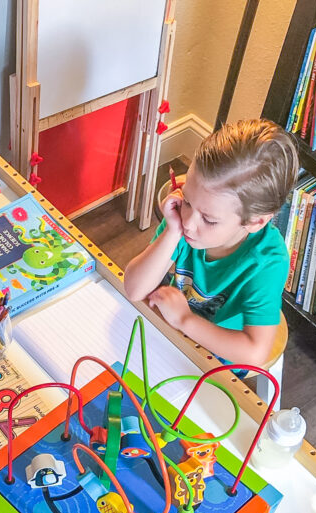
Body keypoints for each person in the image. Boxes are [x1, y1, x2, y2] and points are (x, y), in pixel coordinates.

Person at [124, 119, 298, 367]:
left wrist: (185, 320)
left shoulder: (268, 262)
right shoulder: (184, 221)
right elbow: (134, 289)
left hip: (218, 353)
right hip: (172, 329)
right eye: (186, 200)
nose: (189, 222)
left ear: (255, 222)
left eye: (209, 219)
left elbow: (254, 353)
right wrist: (171, 233)